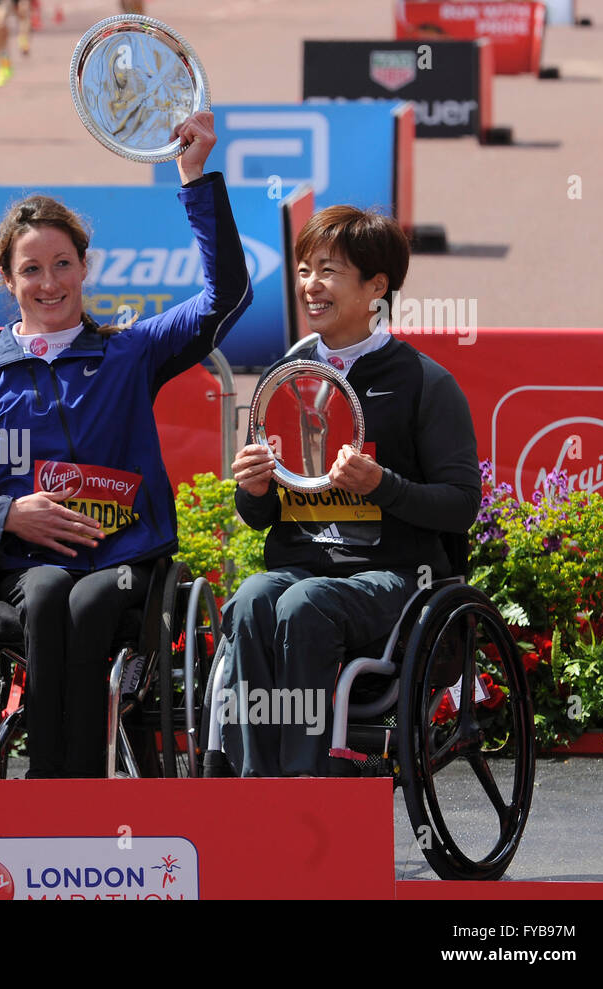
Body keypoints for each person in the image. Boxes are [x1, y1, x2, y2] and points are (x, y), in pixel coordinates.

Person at [0, 113, 252, 777]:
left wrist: (195, 179)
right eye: (32, 269)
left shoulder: (129, 352)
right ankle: (47, 782)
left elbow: (226, 296)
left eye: (62, 264)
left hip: (126, 565)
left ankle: (76, 787)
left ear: (85, 268)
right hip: (28, 573)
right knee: (54, 589)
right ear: (7, 277)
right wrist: (6, 515)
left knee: (86, 596)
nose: (49, 282)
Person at [212, 205, 482, 778]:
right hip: (303, 569)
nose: (311, 285)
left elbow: (461, 505)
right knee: (253, 597)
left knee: (303, 604)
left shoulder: (425, 382)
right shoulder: (283, 376)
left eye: (328, 271)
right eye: (305, 269)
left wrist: (383, 486)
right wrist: (255, 488)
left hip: (396, 579)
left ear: (375, 287)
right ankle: (253, 788)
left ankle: (308, 787)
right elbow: (259, 516)